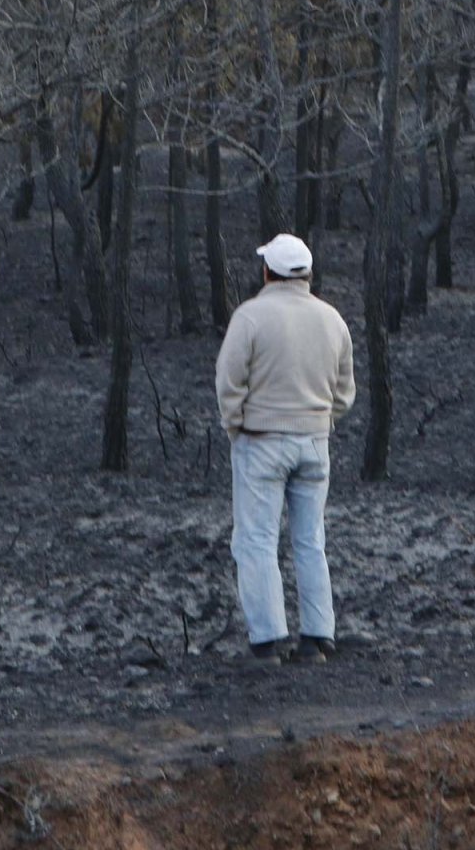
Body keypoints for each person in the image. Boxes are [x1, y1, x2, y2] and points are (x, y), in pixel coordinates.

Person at [215, 232, 355, 664]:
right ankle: (317, 636)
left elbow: (228, 381)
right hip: (315, 443)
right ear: (308, 273)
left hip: (261, 442)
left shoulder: (250, 317)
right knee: (310, 540)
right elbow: (345, 391)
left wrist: (235, 426)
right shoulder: (333, 319)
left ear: (267, 272)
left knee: (256, 541)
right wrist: (321, 422)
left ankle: (267, 640)